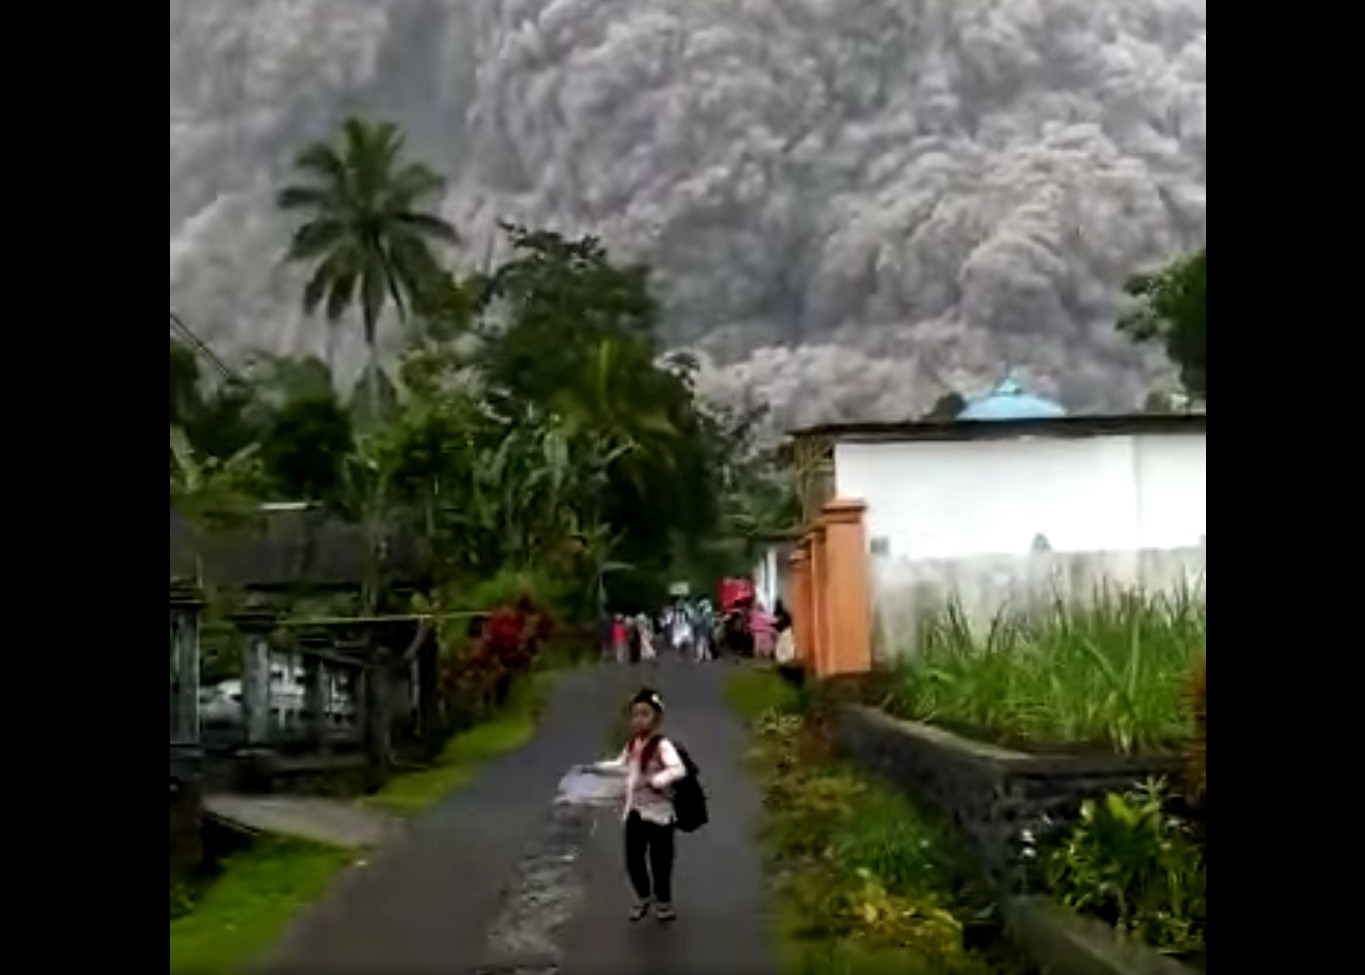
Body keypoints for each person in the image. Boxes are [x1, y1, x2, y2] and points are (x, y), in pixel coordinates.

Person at [588, 688, 687, 923]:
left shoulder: (662, 745)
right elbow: (622, 764)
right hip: (636, 811)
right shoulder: (633, 744)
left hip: (660, 813)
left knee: (660, 861)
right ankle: (643, 896)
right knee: (633, 859)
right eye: (636, 715)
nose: (640, 719)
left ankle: (663, 901)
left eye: (645, 714)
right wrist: (599, 768)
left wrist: (659, 779)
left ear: (657, 718)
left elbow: (678, 768)